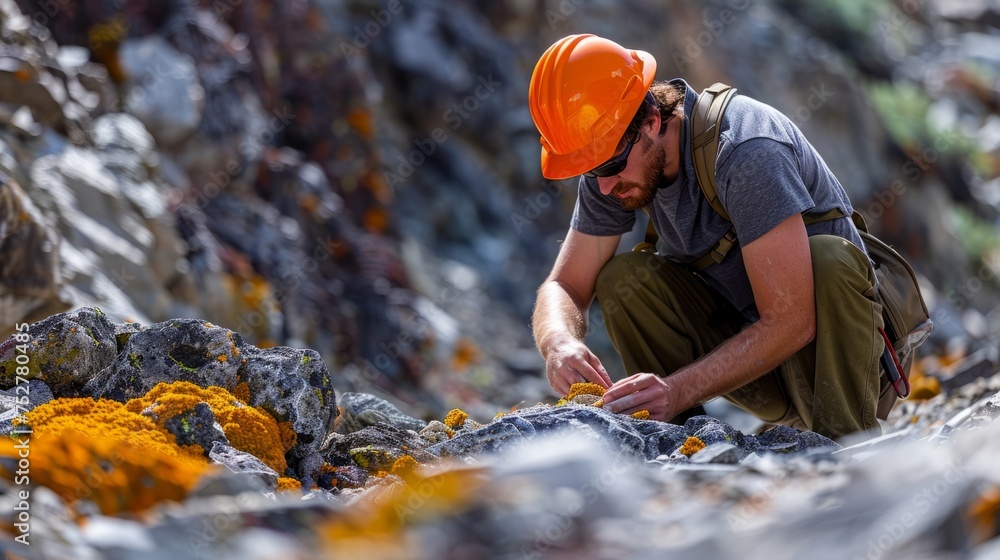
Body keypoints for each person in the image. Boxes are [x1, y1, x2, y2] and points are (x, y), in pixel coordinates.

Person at [528, 34, 894, 440]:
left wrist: (677, 390)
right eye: (591, 170)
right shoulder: (616, 170)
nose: (603, 185)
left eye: (610, 164)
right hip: (764, 378)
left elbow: (792, 321)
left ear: (650, 119)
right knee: (623, 278)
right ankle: (679, 445)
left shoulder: (744, 151)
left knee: (829, 260)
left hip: (849, 366)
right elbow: (563, 284)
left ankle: (848, 447)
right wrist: (557, 342)